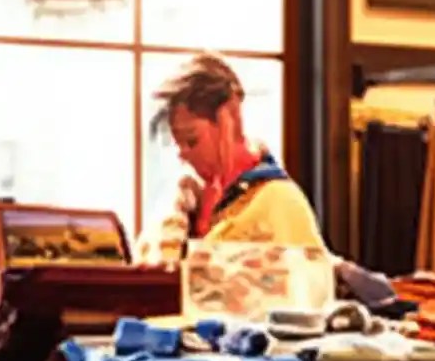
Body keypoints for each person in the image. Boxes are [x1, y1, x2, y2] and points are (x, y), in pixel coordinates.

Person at [135, 52, 324, 264]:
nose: (184, 156)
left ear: (230, 116)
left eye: (192, 141)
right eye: (179, 146)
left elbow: (309, 282)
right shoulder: (186, 200)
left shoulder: (280, 201)